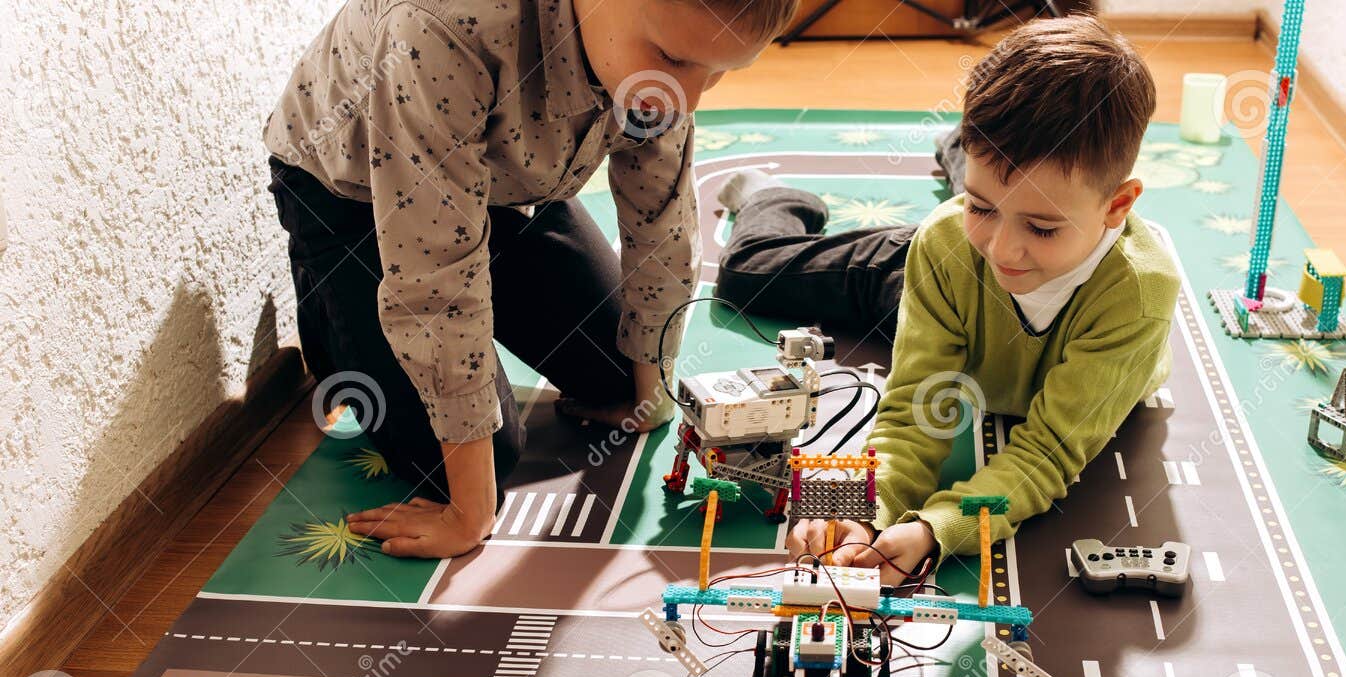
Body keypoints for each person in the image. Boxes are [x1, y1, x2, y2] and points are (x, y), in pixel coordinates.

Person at [264, 0, 797, 558]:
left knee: (626, 378)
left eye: (719, 71)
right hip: (355, 200)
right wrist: (468, 514)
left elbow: (661, 218)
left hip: (507, 186)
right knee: (476, 468)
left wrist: (651, 391)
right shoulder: (439, 27)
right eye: (672, 58)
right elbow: (435, 274)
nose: (686, 98)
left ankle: (479, 272)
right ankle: (331, 305)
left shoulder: (654, 48)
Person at [714, 14, 1180, 585]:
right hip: (929, 276)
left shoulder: (1139, 294)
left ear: (1118, 205)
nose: (1003, 250)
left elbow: (1046, 454)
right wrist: (861, 508)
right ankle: (775, 196)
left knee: (1003, 202)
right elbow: (911, 413)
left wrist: (934, 529)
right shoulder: (949, 241)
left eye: (1042, 226)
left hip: (980, 290)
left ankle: (964, 158)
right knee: (747, 274)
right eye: (981, 206)